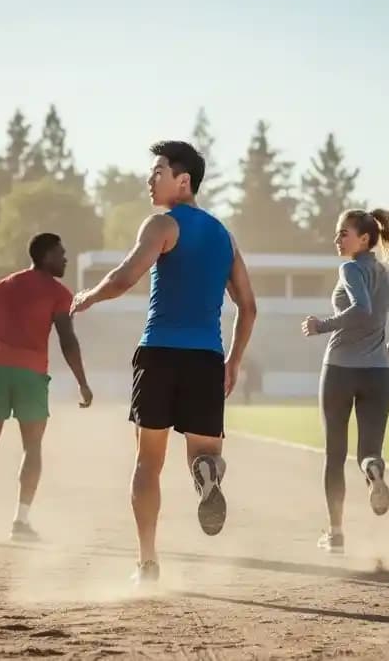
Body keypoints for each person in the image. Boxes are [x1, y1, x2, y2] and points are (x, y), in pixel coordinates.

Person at [70, 140, 257, 584]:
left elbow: (125, 277)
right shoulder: (223, 237)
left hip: (160, 353)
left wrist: (89, 296)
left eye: (157, 172)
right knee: (205, 452)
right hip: (207, 358)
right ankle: (206, 473)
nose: (149, 180)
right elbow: (249, 306)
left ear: (183, 180)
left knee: (147, 463)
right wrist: (233, 361)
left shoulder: (162, 224)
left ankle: (148, 563)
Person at [0, 232, 93, 542]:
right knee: (32, 447)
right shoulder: (59, 293)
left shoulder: (3, 286)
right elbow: (67, 339)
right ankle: (20, 523)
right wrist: (82, 382)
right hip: (31, 374)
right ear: (45, 256)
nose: (65, 259)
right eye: (60, 254)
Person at [301, 208, 389, 554]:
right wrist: (385, 355)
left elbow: (362, 307)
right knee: (369, 452)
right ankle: (373, 473)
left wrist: (320, 325)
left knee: (334, 455)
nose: (337, 239)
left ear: (364, 238)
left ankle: (335, 534)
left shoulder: (350, 268)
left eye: (343, 233)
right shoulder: (388, 275)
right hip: (377, 375)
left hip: (339, 370)